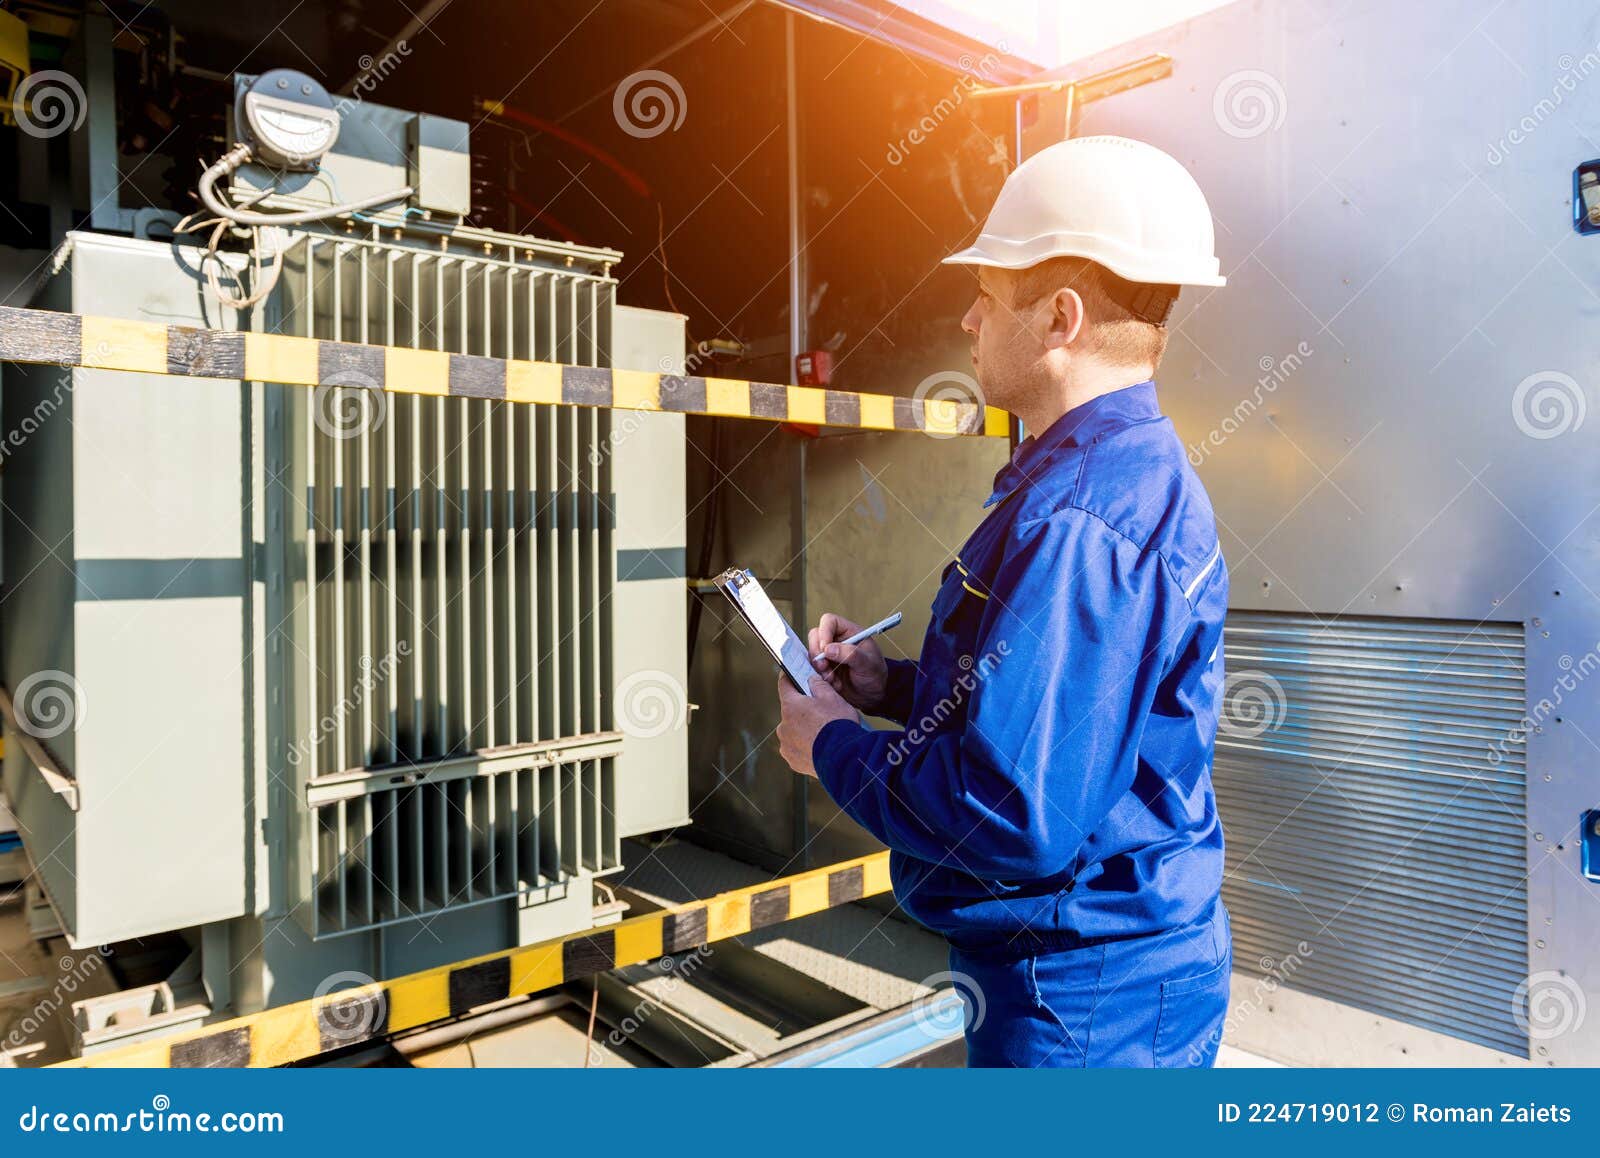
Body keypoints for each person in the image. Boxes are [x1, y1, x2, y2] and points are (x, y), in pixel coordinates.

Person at [774, 135, 1232, 1067]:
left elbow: (1012, 814)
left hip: (1079, 1002)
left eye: (986, 300)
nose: (967, 322)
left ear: (1059, 317)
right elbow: (1059, 707)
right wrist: (888, 686)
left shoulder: (1080, 521)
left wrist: (830, 746)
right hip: (1102, 978)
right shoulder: (1109, 475)